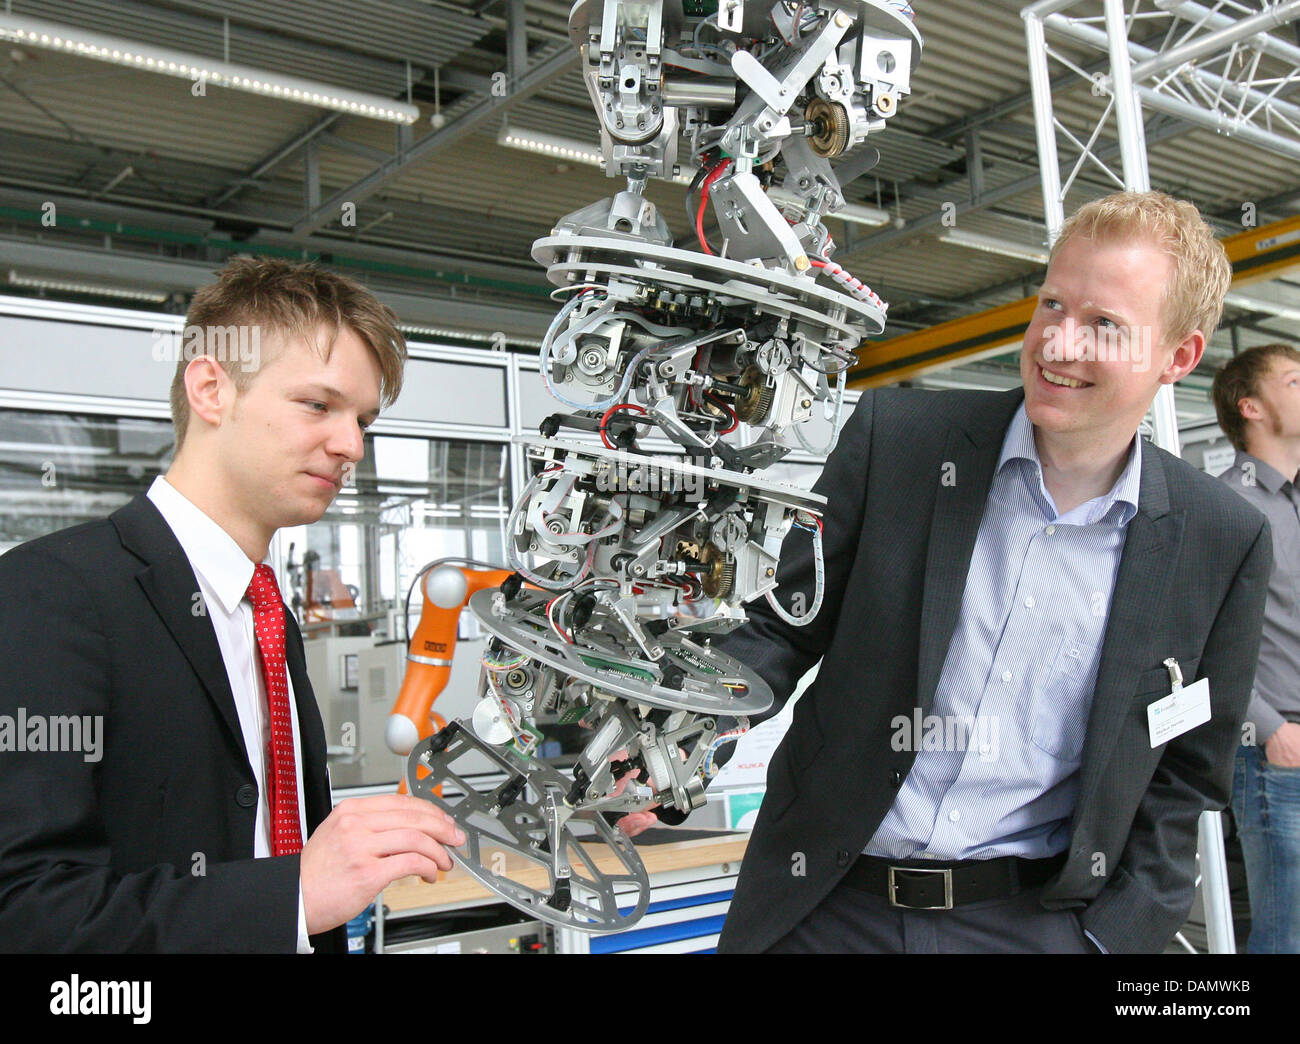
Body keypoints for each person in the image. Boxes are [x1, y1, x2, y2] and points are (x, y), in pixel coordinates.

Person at [705, 191, 1272, 954]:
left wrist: (1110, 937)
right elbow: (780, 626)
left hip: (1030, 924)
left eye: (1104, 324)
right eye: (1052, 305)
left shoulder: (1220, 537)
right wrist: (674, 741)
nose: (1058, 344)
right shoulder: (899, 443)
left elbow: (1189, 772)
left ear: (1179, 357)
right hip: (825, 907)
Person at [0, 256, 464, 953]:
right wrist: (294, 894)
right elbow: (25, 911)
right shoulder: (52, 593)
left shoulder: (267, 616)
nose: (352, 446)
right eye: (319, 404)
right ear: (211, 389)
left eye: (363, 419)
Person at [1212, 342, 1300, 954]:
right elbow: (1197, 642)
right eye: (1295, 381)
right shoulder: (1228, 506)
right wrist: (1269, 729)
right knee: (1287, 934)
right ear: (1252, 406)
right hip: (1279, 752)